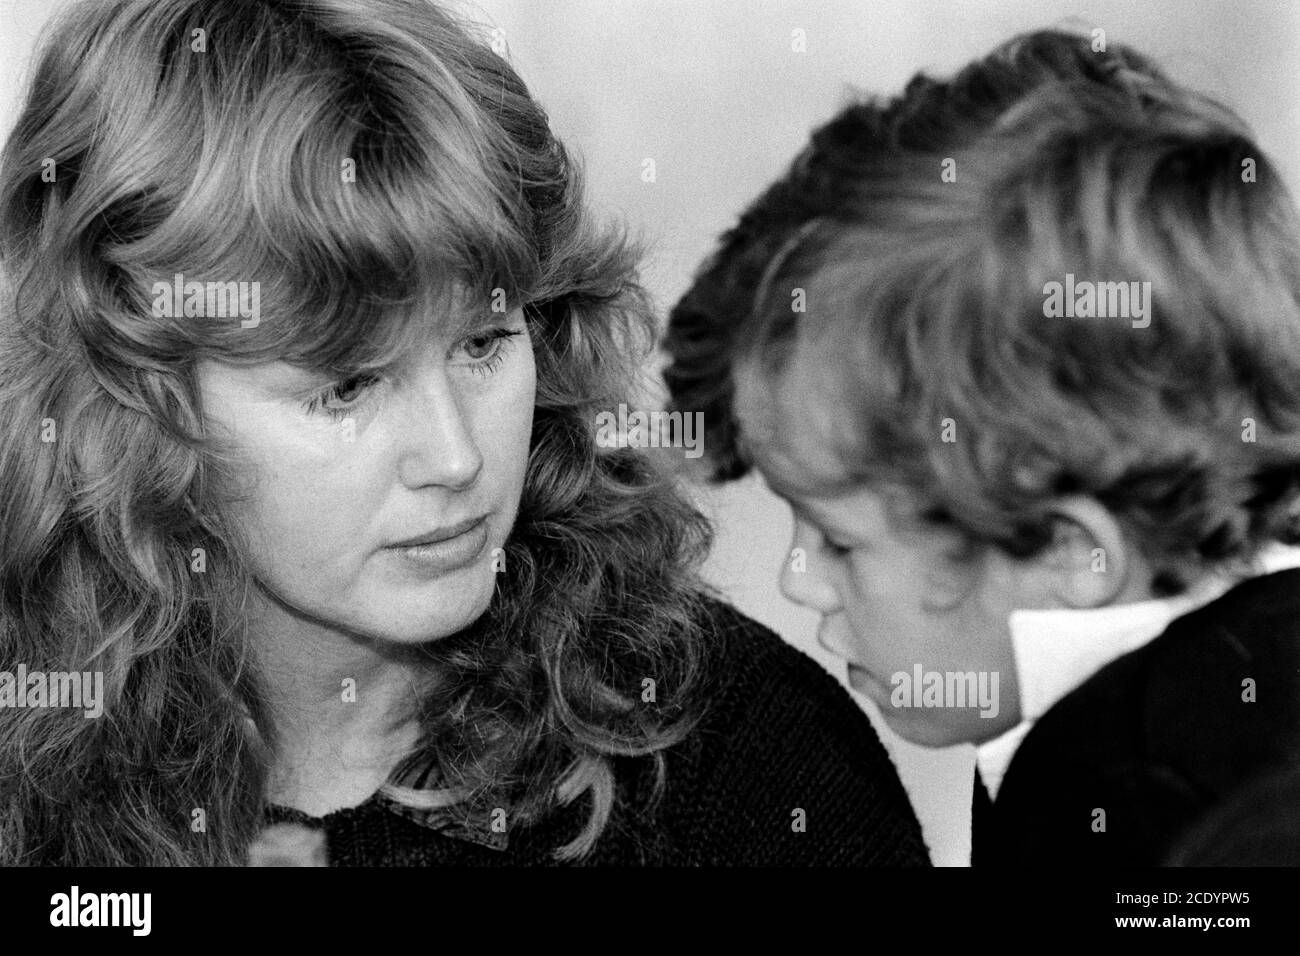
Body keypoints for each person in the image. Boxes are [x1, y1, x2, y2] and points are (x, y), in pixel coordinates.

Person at [0, 0, 929, 866]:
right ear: (130, 398)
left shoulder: (745, 768)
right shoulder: (29, 746)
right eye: (347, 386)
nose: (457, 459)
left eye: (483, 342)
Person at [664, 28, 1300, 866]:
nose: (800, 579)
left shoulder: (1163, 826)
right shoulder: (1126, 728)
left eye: (840, 541)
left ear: (1072, 550)